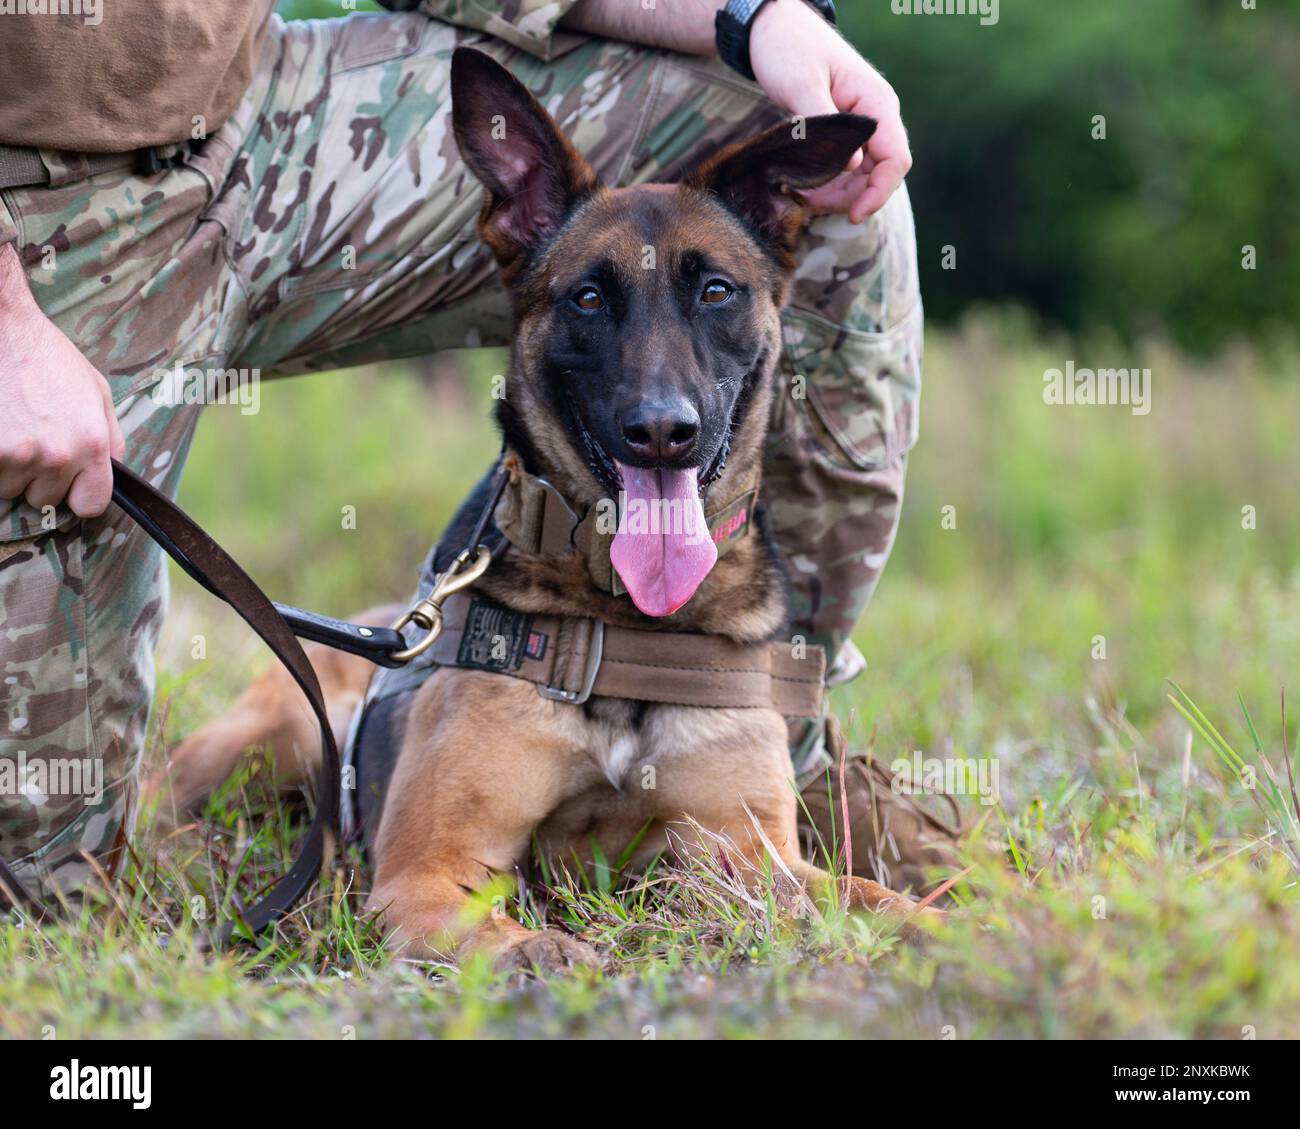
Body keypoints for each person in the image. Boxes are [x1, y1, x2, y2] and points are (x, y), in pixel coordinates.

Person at [0, 0, 933, 903]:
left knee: (817, 140)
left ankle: (787, 748)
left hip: (262, 112)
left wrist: (752, 15)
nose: (661, 407)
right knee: (40, 892)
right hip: (35, 204)